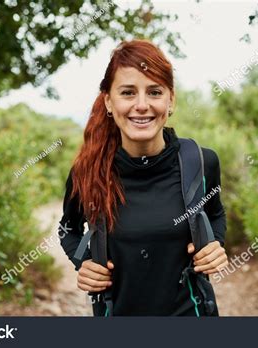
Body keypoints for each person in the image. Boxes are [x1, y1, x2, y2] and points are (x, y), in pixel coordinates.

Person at [58, 39, 228, 316]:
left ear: (170, 100)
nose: (141, 105)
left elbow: (216, 213)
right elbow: (68, 228)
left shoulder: (200, 161)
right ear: (109, 102)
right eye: (127, 92)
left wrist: (215, 244)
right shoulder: (87, 171)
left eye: (154, 92)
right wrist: (85, 263)